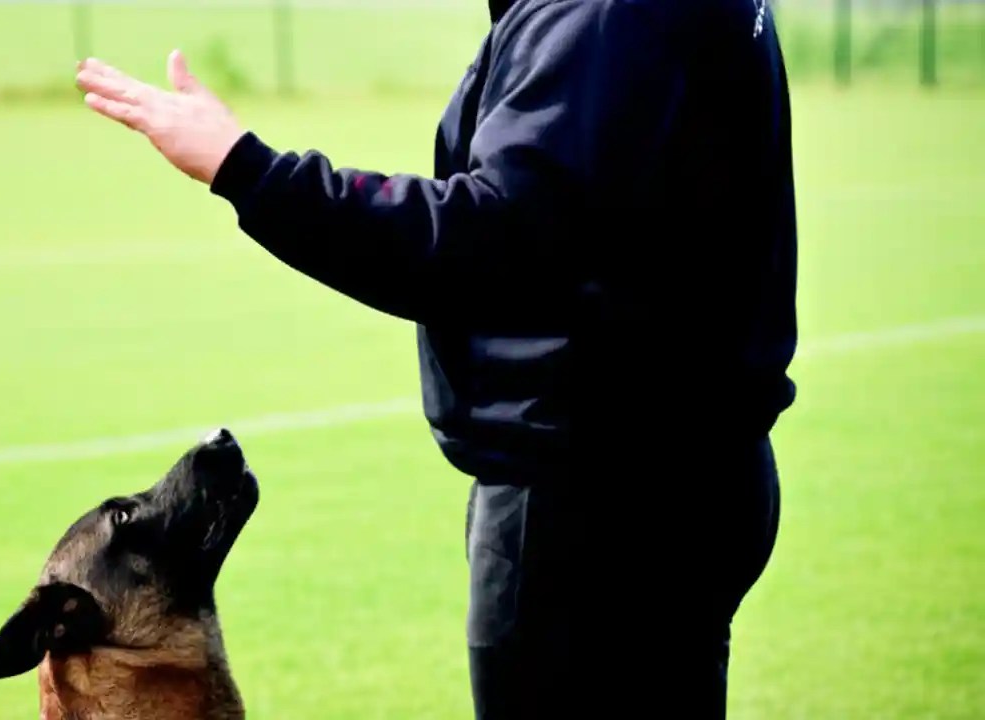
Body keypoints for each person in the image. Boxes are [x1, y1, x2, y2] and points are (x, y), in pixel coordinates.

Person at [75, 0, 797, 715]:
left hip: (598, 509)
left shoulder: (598, 15)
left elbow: (490, 239)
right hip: (689, 474)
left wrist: (251, 172)